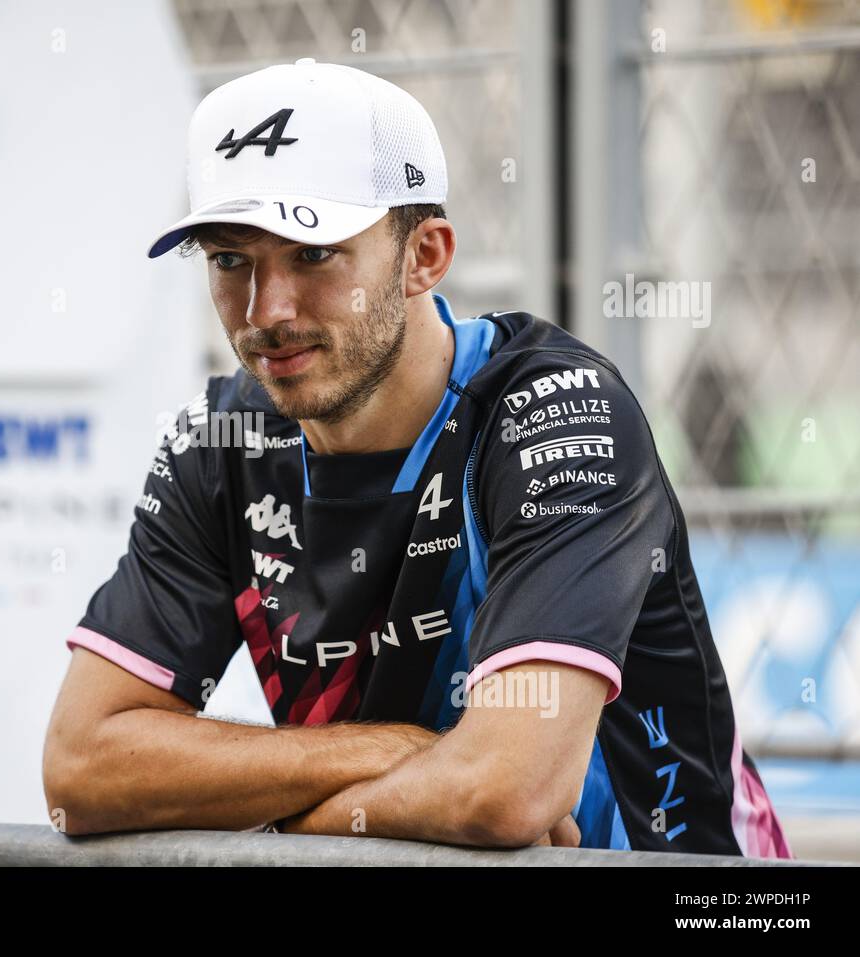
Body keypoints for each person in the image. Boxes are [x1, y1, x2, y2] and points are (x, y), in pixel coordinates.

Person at [42, 58, 792, 857]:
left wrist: (268, 832)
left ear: (424, 256)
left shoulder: (559, 413)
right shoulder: (216, 443)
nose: (267, 311)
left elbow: (508, 790)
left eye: (313, 253)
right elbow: (81, 768)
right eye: (231, 260)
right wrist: (385, 751)